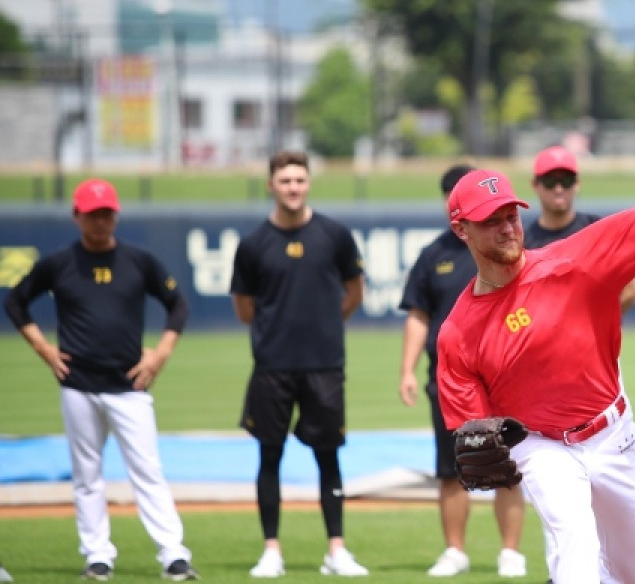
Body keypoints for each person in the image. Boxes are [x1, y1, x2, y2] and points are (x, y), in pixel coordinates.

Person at [436, 106, 635, 582]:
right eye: (491, 220)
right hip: (543, 446)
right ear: (461, 228)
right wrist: (488, 446)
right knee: (576, 553)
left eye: (511, 214)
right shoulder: (458, 333)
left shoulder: (577, 261)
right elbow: (474, 429)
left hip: (613, 433)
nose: (508, 227)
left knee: (629, 570)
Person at [3, 179, 199, 581]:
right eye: (92, 214)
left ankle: (173, 554)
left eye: (106, 213)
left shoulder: (138, 261)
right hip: (78, 384)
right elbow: (15, 301)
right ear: (77, 216)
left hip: (130, 385)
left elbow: (177, 303)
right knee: (87, 476)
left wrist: (160, 354)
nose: (100, 221)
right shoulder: (59, 264)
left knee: (147, 471)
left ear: (116, 215)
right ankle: (97, 555)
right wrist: (44, 350)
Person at [230, 150, 370, 578]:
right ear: (271, 185)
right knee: (269, 456)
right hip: (272, 366)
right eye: (285, 180)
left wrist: (323, 327)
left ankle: (336, 550)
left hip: (324, 364)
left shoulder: (335, 235)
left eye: (300, 180)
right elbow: (244, 307)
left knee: (329, 456)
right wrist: (280, 331)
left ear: (309, 183)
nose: (293, 187)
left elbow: (354, 293)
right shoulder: (253, 244)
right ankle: (271, 550)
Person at [398, 164, 529, 578]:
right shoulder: (433, 255)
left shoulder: (510, 246)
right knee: (452, 468)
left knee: (509, 467)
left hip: (506, 375)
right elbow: (418, 316)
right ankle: (455, 550)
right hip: (450, 379)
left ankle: (510, 552)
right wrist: (407, 369)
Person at [525, 145, 635, 313]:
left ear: (577, 183)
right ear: (535, 184)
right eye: (550, 181)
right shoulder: (524, 243)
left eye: (566, 180)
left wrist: (590, 321)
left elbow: (629, 290)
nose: (558, 189)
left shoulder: (600, 231)